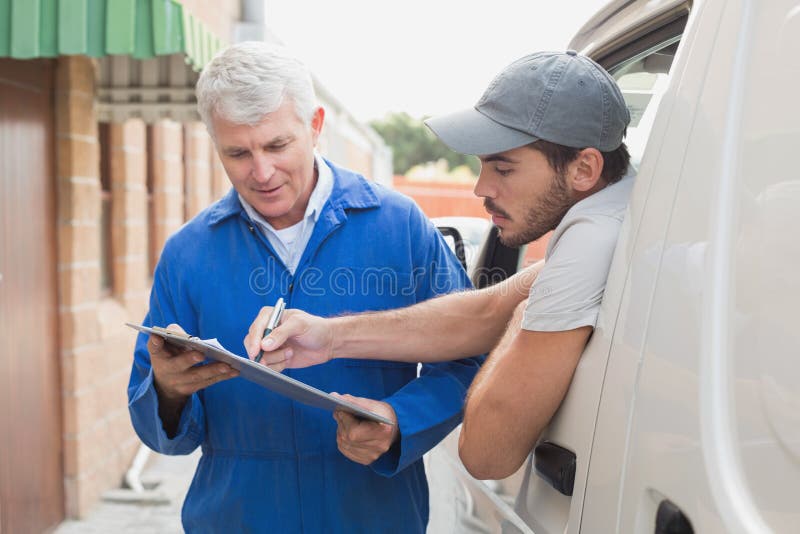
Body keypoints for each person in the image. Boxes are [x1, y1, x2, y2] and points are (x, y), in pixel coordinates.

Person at [127, 41, 486, 533]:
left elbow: (472, 357)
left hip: (372, 517)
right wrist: (167, 392)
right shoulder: (188, 255)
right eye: (237, 152)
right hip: (237, 519)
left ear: (315, 126)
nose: (262, 172)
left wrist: (402, 419)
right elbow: (161, 432)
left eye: (277, 145)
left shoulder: (399, 227)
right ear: (215, 145)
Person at [249, 50, 634, 480]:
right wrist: (329, 337)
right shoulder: (621, 214)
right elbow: (487, 310)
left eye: (503, 169)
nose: (480, 188)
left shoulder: (592, 241)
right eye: (483, 166)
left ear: (584, 168)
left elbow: (485, 454)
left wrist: (526, 318)